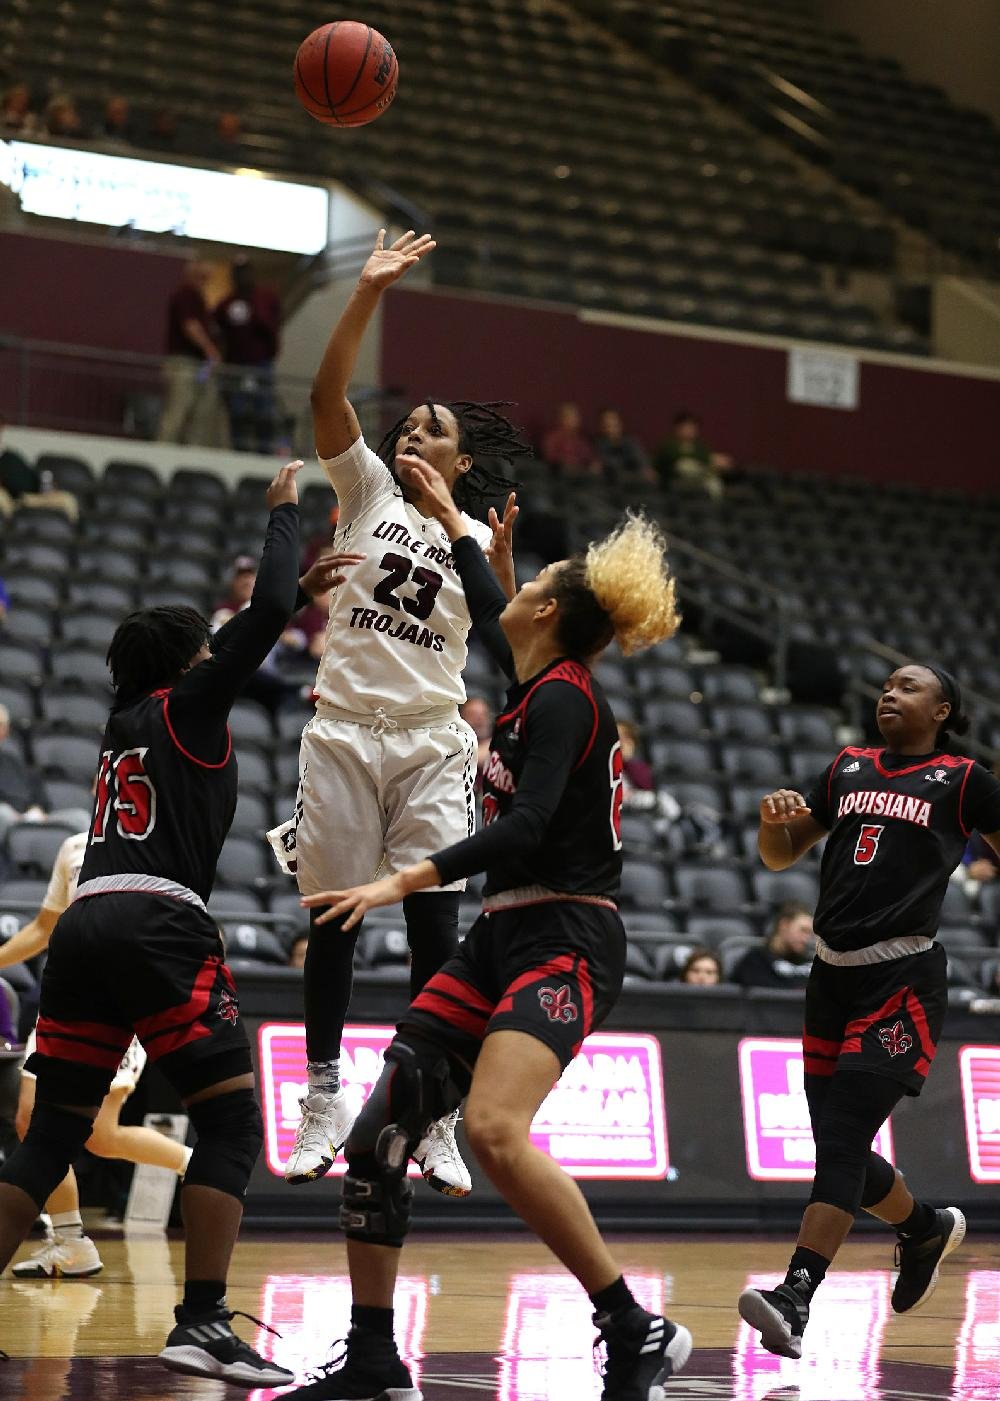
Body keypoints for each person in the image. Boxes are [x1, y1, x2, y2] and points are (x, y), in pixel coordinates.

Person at [288, 485, 691, 1401]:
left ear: (544, 610)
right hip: (501, 933)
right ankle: (374, 1357)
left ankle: (634, 1325)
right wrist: (451, 516)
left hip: (568, 934)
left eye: (531, 579)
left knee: (492, 1129)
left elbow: (527, 825)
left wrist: (405, 877)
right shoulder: (537, 685)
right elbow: (479, 580)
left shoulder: (564, 701)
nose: (502, 584)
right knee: (379, 1132)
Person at [0, 461, 357, 1385]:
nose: (214, 658)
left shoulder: (129, 716)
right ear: (192, 663)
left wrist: (287, 597)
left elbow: (235, 631)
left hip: (86, 925)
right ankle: (200, 1321)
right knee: (233, 1125)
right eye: (207, 650)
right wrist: (285, 522)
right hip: (160, 923)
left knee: (48, 1139)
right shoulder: (190, 704)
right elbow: (268, 608)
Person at [269, 228, 531, 1198]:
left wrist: (496, 570)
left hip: (429, 745)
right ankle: (326, 1093)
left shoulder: (473, 539)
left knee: (436, 937)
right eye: (408, 425)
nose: (412, 436)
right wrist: (367, 293)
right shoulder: (366, 488)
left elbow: (515, 652)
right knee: (331, 919)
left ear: (463, 463)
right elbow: (325, 397)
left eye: (434, 431)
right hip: (343, 730)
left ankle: (434, 1109)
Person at [738, 663, 1000, 1361]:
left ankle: (795, 1295)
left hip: (903, 977)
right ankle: (922, 1226)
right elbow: (780, 855)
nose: (891, 692)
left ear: (942, 708)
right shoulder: (847, 766)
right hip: (831, 976)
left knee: (847, 1131)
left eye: (910, 686)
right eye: (886, 684)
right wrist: (774, 828)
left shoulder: (966, 780)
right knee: (836, 1145)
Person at [2, 827, 192, 1280]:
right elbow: (44, 928)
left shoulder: (155, 844)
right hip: (64, 1001)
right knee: (37, 1121)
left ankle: (209, 1170)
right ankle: (70, 1242)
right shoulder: (72, 846)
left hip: (120, 1004)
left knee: (97, 1134)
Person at [216, 257, 282, 454]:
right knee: (238, 409)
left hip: (261, 364)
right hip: (237, 365)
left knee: (264, 408)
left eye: (245, 272)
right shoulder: (226, 304)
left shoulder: (266, 298)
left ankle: (265, 451)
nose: (242, 277)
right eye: (238, 273)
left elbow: (274, 325)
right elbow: (220, 332)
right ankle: (240, 449)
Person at [157, 260, 225, 448]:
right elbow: (190, 326)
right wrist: (209, 349)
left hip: (199, 364)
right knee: (178, 408)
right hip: (183, 362)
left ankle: (191, 452)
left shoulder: (201, 300)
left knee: (200, 412)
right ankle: (164, 450)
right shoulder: (185, 296)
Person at [0, 704, 92, 843]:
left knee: (80, 818)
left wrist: (37, 809)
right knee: (2, 813)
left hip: (30, 815)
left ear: (6, 730)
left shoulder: (15, 762)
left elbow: (39, 795)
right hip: (7, 816)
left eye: (1, 725)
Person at [0, 415, 79, 522]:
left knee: (67, 499)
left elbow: (33, 478)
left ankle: (73, 533)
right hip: (12, 501)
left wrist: (47, 486)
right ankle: (11, 532)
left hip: (31, 498)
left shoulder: (11, 456)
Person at [731, 902, 814, 989]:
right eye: (803, 930)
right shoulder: (755, 961)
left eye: (809, 934)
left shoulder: (812, 963)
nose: (806, 939)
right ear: (784, 925)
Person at [654, 410, 732, 499]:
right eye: (686, 427)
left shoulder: (700, 447)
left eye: (692, 427)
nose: (690, 430)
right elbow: (670, 459)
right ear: (678, 428)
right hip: (677, 479)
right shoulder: (670, 445)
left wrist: (715, 460)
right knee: (685, 465)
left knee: (714, 482)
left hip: (701, 478)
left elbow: (705, 458)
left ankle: (716, 507)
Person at [594, 408, 655, 488]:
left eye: (614, 424)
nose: (611, 429)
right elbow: (611, 465)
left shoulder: (631, 442)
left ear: (620, 424)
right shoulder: (598, 444)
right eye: (607, 425)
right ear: (601, 427)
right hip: (615, 482)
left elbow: (641, 460)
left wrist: (646, 469)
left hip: (637, 479)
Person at [541, 401, 600, 477]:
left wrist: (594, 463)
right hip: (563, 473)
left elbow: (588, 455)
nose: (574, 420)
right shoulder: (552, 438)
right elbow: (551, 458)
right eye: (569, 417)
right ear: (560, 418)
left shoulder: (580, 438)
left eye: (575, 417)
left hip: (583, 471)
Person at [459, 694, 493, 784]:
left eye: (484, 714)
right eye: (473, 715)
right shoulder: (455, 744)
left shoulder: (497, 741)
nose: (480, 719)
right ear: (462, 719)